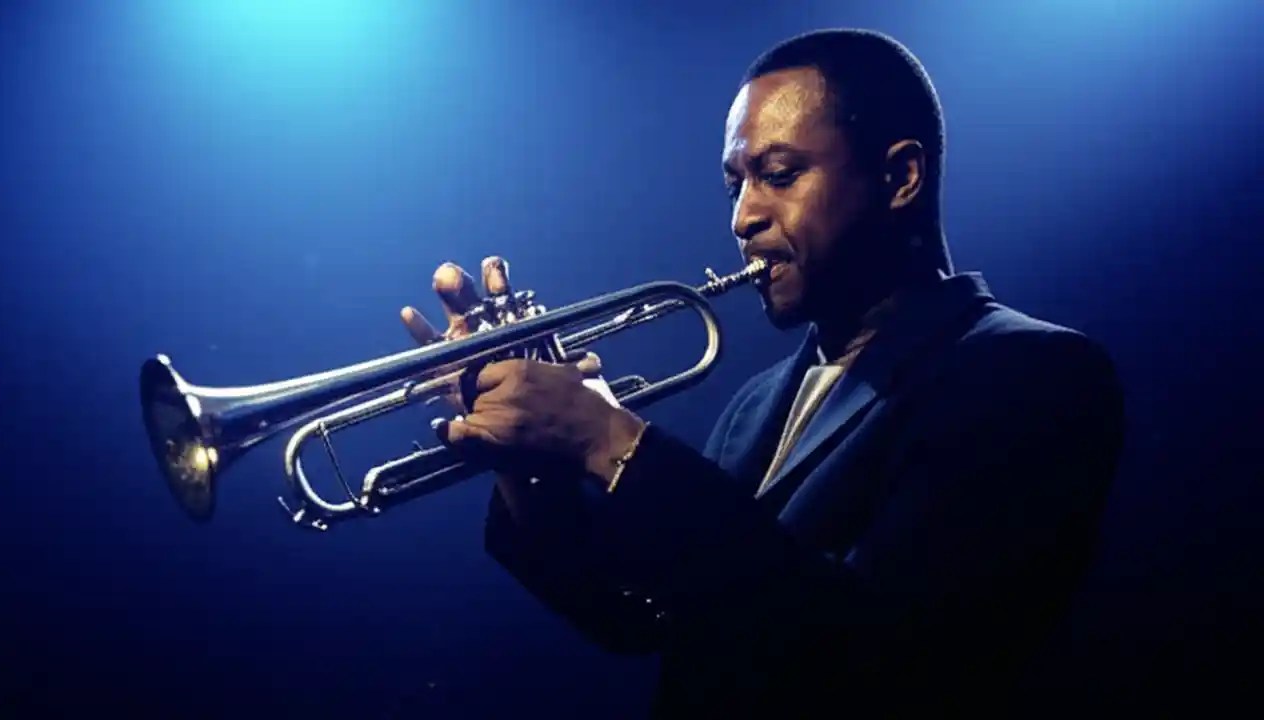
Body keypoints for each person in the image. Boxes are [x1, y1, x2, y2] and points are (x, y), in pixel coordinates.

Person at [399, 28, 1125, 717]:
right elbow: (637, 620)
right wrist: (531, 465)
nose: (743, 217)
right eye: (735, 185)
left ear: (900, 176)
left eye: (778, 175)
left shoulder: (1032, 372)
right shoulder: (755, 405)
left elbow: (885, 657)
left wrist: (609, 441)